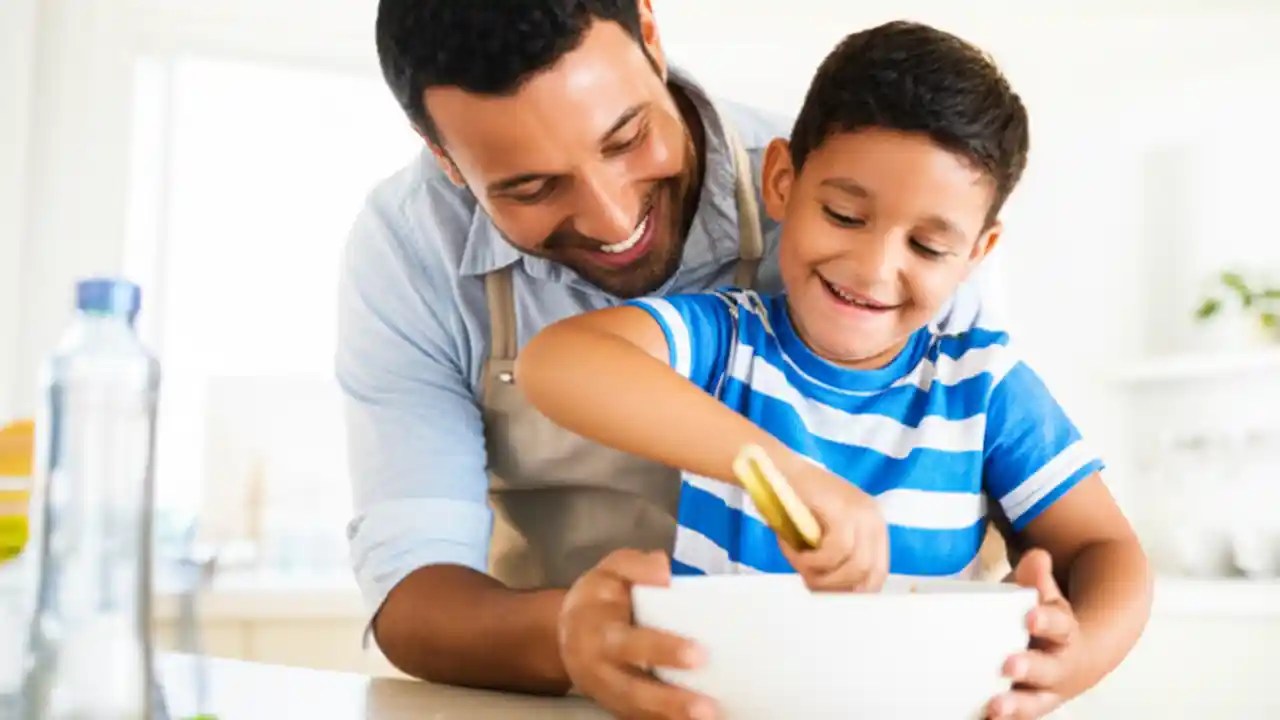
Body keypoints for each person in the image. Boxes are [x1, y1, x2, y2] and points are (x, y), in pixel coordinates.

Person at [340, 1, 991, 717]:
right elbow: (414, 597)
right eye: (530, 187)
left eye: (626, 138)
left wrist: (1060, 636)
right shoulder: (409, 249)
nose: (612, 222)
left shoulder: (855, 199)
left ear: (650, 33)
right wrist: (568, 637)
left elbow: (1027, 501)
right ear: (443, 156)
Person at [518, 20, 1152, 720]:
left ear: (979, 251)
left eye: (929, 245)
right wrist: (782, 472)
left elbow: (1105, 547)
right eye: (846, 214)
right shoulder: (730, 341)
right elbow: (558, 363)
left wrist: (1075, 658)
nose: (874, 268)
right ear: (783, 180)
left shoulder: (983, 382)